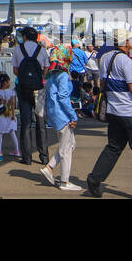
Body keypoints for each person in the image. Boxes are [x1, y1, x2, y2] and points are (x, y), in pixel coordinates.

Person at [83, 33, 132, 199]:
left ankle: (94, 179)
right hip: (131, 113)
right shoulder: (126, 61)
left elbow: (102, 84)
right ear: (125, 42)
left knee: (113, 148)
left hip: (114, 112)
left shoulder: (105, 58)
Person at [41, 44, 81, 191]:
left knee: (70, 145)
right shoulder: (63, 75)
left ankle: (49, 167)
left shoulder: (51, 76)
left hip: (54, 113)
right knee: (67, 149)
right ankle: (64, 181)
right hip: (63, 115)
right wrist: (73, 116)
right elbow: (63, 97)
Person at [11, 26, 48, 164]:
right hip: (38, 89)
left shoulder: (17, 49)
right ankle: (44, 157)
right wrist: (38, 78)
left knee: (25, 123)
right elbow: (46, 68)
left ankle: (27, 157)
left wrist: (25, 77)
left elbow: (15, 70)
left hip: (23, 89)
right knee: (40, 122)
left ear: (25, 37)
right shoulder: (42, 50)